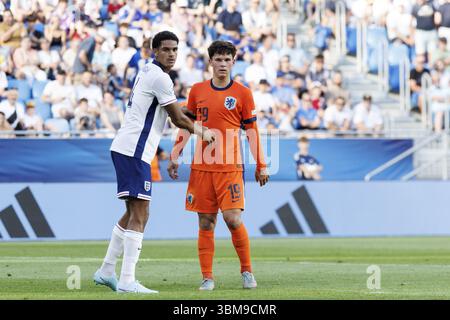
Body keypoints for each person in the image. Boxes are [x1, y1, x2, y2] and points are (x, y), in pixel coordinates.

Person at [93, 31, 215, 294]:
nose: (172, 54)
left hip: (129, 148)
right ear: (154, 51)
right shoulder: (160, 77)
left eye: (175, 50)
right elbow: (178, 120)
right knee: (141, 214)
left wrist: (188, 113)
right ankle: (126, 281)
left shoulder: (149, 71)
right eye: (166, 49)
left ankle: (106, 271)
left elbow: (171, 110)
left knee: (131, 213)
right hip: (134, 150)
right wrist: (205, 133)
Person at [167, 40, 269, 291]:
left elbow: (252, 131)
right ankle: (207, 277)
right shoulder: (197, 91)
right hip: (202, 168)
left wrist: (261, 165)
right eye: (218, 59)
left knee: (233, 219)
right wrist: (176, 153)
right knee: (205, 222)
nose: (223, 64)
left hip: (230, 168)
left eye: (227, 59)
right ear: (211, 61)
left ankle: (247, 271)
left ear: (233, 62)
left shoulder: (243, 93)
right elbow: (187, 125)